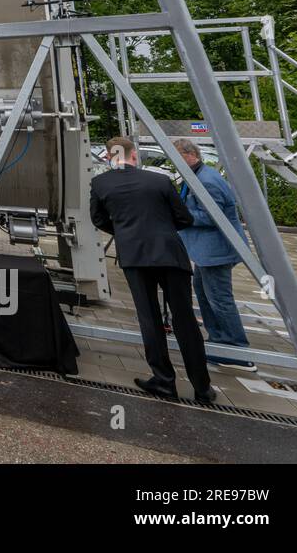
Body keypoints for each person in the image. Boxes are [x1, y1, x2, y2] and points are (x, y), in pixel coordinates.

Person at [89, 136, 216, 403]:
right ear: (134, 156)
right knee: (185, 321)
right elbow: (184, 217)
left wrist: (125, 234)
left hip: (134, 257)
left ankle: (164, 381)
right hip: (170, 254)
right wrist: (163, 231)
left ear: (110, 157)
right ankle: (202, 387)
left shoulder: (100, 184)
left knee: (150, 319)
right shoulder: (158, 181)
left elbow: (98, 219)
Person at [173, 138, 257, 373]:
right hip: (206, 252)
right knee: (203, 292)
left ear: (190, 155)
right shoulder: (199, 176)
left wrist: (179, 213)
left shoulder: (207, 180)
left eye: (176, 156)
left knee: (219, 298)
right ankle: (219, 340)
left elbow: (212, 217)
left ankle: (237, 350)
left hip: (216, 251)